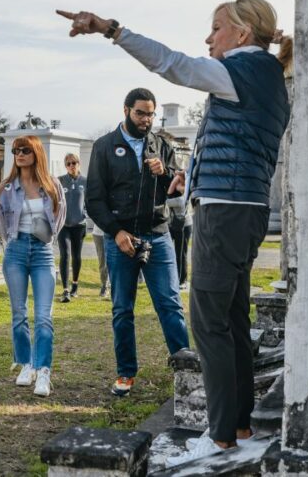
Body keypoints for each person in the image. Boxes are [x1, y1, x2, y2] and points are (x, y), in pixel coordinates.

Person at [58, 0, 291, 464]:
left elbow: (170, 63)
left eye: (218, 26)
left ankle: (222, 432)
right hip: (246, 209)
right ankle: (240, 422)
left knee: (206, 321)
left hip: (224, 210)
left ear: (243, 34)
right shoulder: (269, 75)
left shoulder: (238, 70)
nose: (209, 36)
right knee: (231, 318)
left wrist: (111, 29)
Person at [82, 87, 190, 398]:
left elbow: (171, 191)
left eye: (150, 114)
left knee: (169, 304)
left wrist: (168, 175)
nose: (146, 119)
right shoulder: (105, 146)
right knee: (122, 309)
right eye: (140, 113)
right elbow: (94, 199)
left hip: (157, 233)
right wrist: (116, 232)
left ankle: (185, 370)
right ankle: (126, 373)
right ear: (126, 110)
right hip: (122, 237)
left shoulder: (160, 144)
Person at [0, 135, 66, 397]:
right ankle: (26, 364)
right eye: (16, 150)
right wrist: (12, 243)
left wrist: (46, 240)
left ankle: (43, 369)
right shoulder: (7, 187)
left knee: (44, 316)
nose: (20, 154)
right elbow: (2, 222)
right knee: (19, 312)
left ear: (37, 153)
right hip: (15, 250)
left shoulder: (52, 185)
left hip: (42, 251)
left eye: (26, 150)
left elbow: (59, 218)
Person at [57, 153, 86, 303]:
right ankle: (65, 289)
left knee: (76, 256)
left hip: (79, 226)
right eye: (68, 163)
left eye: (74, 163)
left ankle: (75, 284)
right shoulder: (60, 181)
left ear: (78, 163)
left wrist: (85, 214)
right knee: (65, 255)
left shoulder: (85, 181)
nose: (71, 166)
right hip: (64, 226)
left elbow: (90, 201)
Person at [167, 195, 192, 290]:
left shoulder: (182, 193)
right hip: (171, 224)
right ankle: (173, 279)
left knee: (181, 254)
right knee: (169, 254)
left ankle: (183, 281)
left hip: (184, 226)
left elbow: (179, 201)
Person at [91, 223, 109, 299]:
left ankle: (116, 286)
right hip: (99, 234)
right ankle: (104, 285)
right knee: (102, 261)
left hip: (115, 233)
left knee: (116, 261)